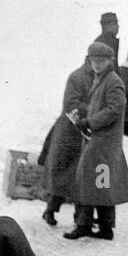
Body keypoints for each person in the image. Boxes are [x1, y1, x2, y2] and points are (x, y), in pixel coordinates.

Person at [64, 41, 128, 240]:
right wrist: (85, 115)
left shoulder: (112, 81)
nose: (96, 64)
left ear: (110, 61)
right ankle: (104, 227)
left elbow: (115, 108)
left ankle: (86, 225)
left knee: (91, 182)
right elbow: (103, 106)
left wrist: (90, 122)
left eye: (101, 61)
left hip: (103, 144)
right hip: (101, 143)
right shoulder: (102, 79)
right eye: (94, 60)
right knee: (100, 184)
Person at [40, 56, 93, 226]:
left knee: (79, 177)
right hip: (68, 132)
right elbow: (71, 104)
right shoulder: (77, 76)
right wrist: (93, 109)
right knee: (62, 175)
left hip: (86, 132)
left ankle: (81, 218)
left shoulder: (99, 77)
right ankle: (50, 210)